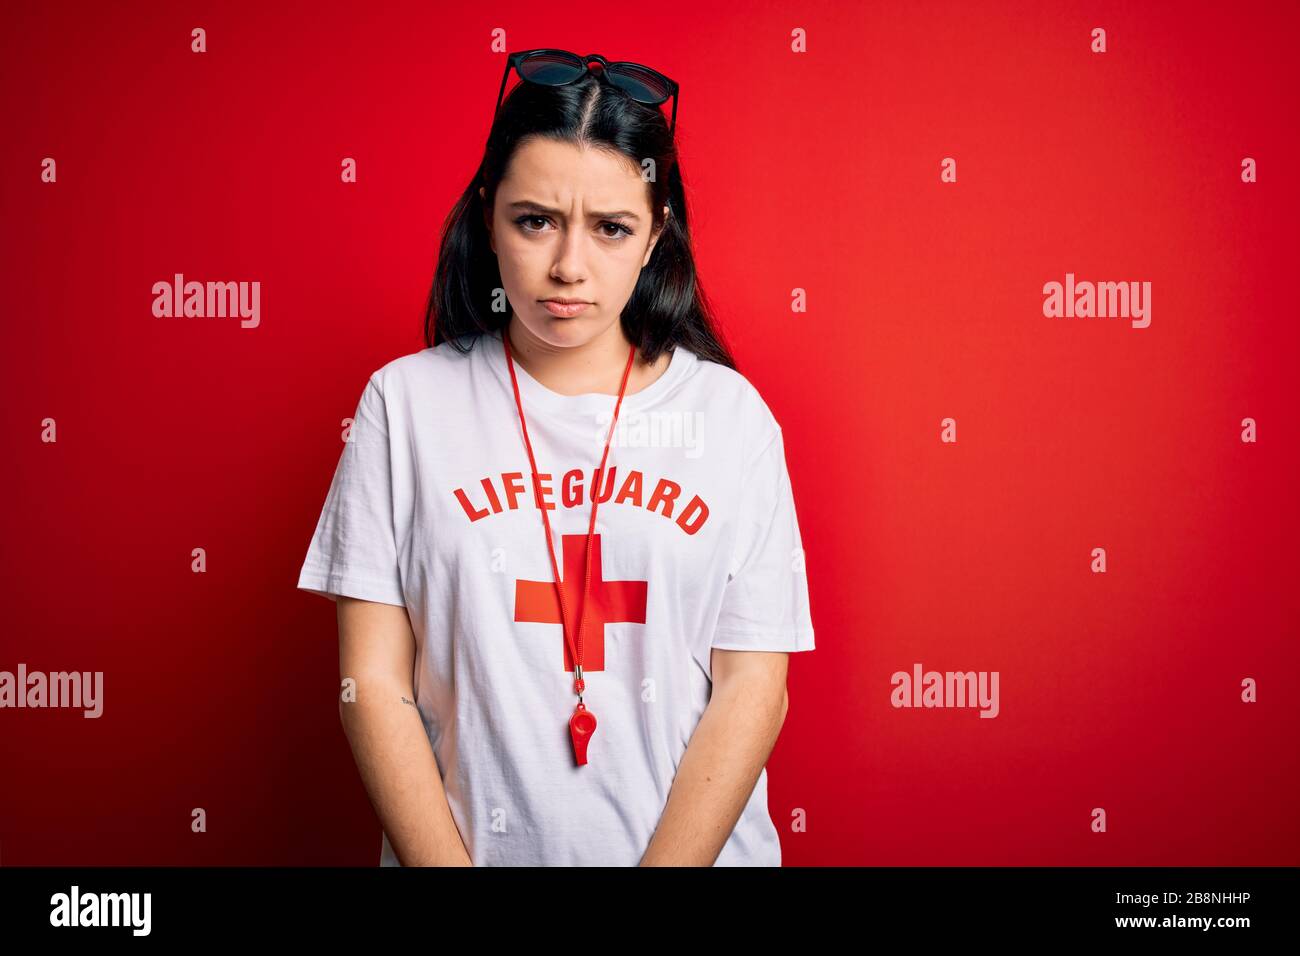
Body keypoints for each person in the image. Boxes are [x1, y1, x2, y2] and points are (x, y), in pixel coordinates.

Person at [296, 49, 815, 866]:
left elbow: (755, 690)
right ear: (487, 216)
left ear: (656, 237)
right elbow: (373, 688)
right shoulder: (404, 407)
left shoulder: (731, 420)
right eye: (534, 220)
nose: (569, 267)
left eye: (612, 228)